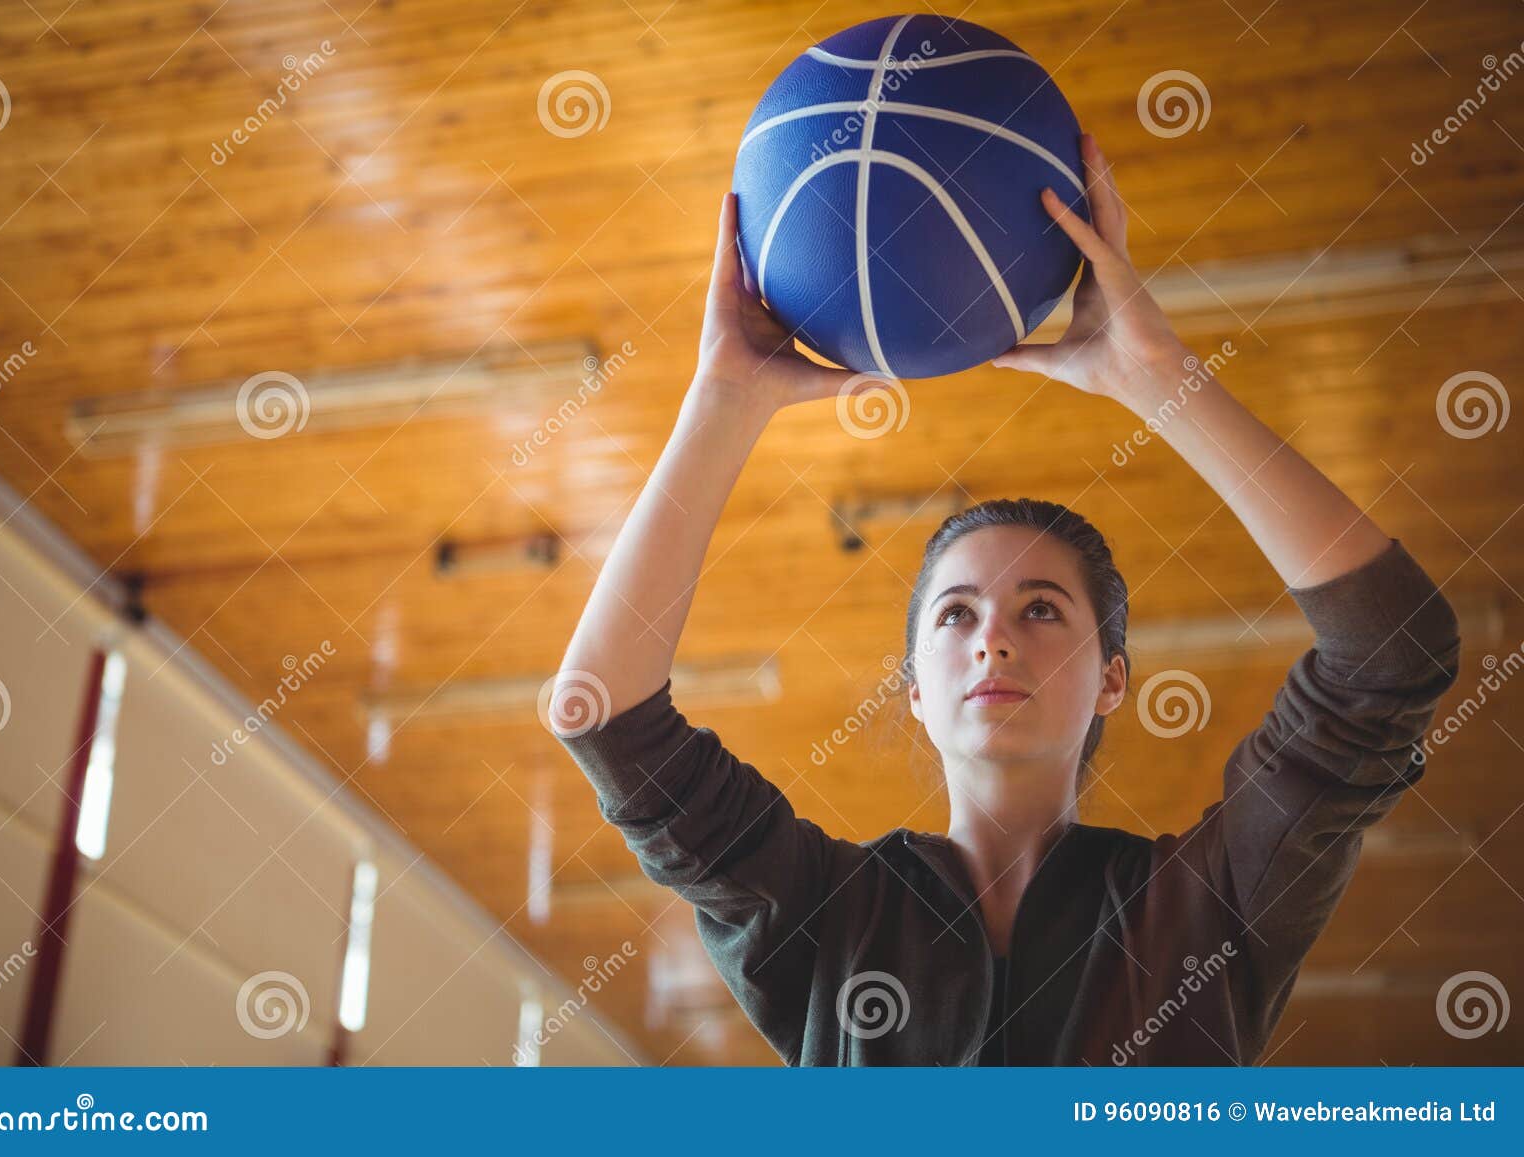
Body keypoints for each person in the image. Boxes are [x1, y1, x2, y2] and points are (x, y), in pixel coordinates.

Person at [549, 133, 1462, 1065]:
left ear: (1113, 680)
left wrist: (1160, 380)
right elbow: (601, 714)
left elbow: (1392, 650)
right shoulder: (823, 913)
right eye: (955, 614)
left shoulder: (1211, 901)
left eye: (1041, 609)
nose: (993, 640)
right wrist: (723, 401)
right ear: (912, 686)